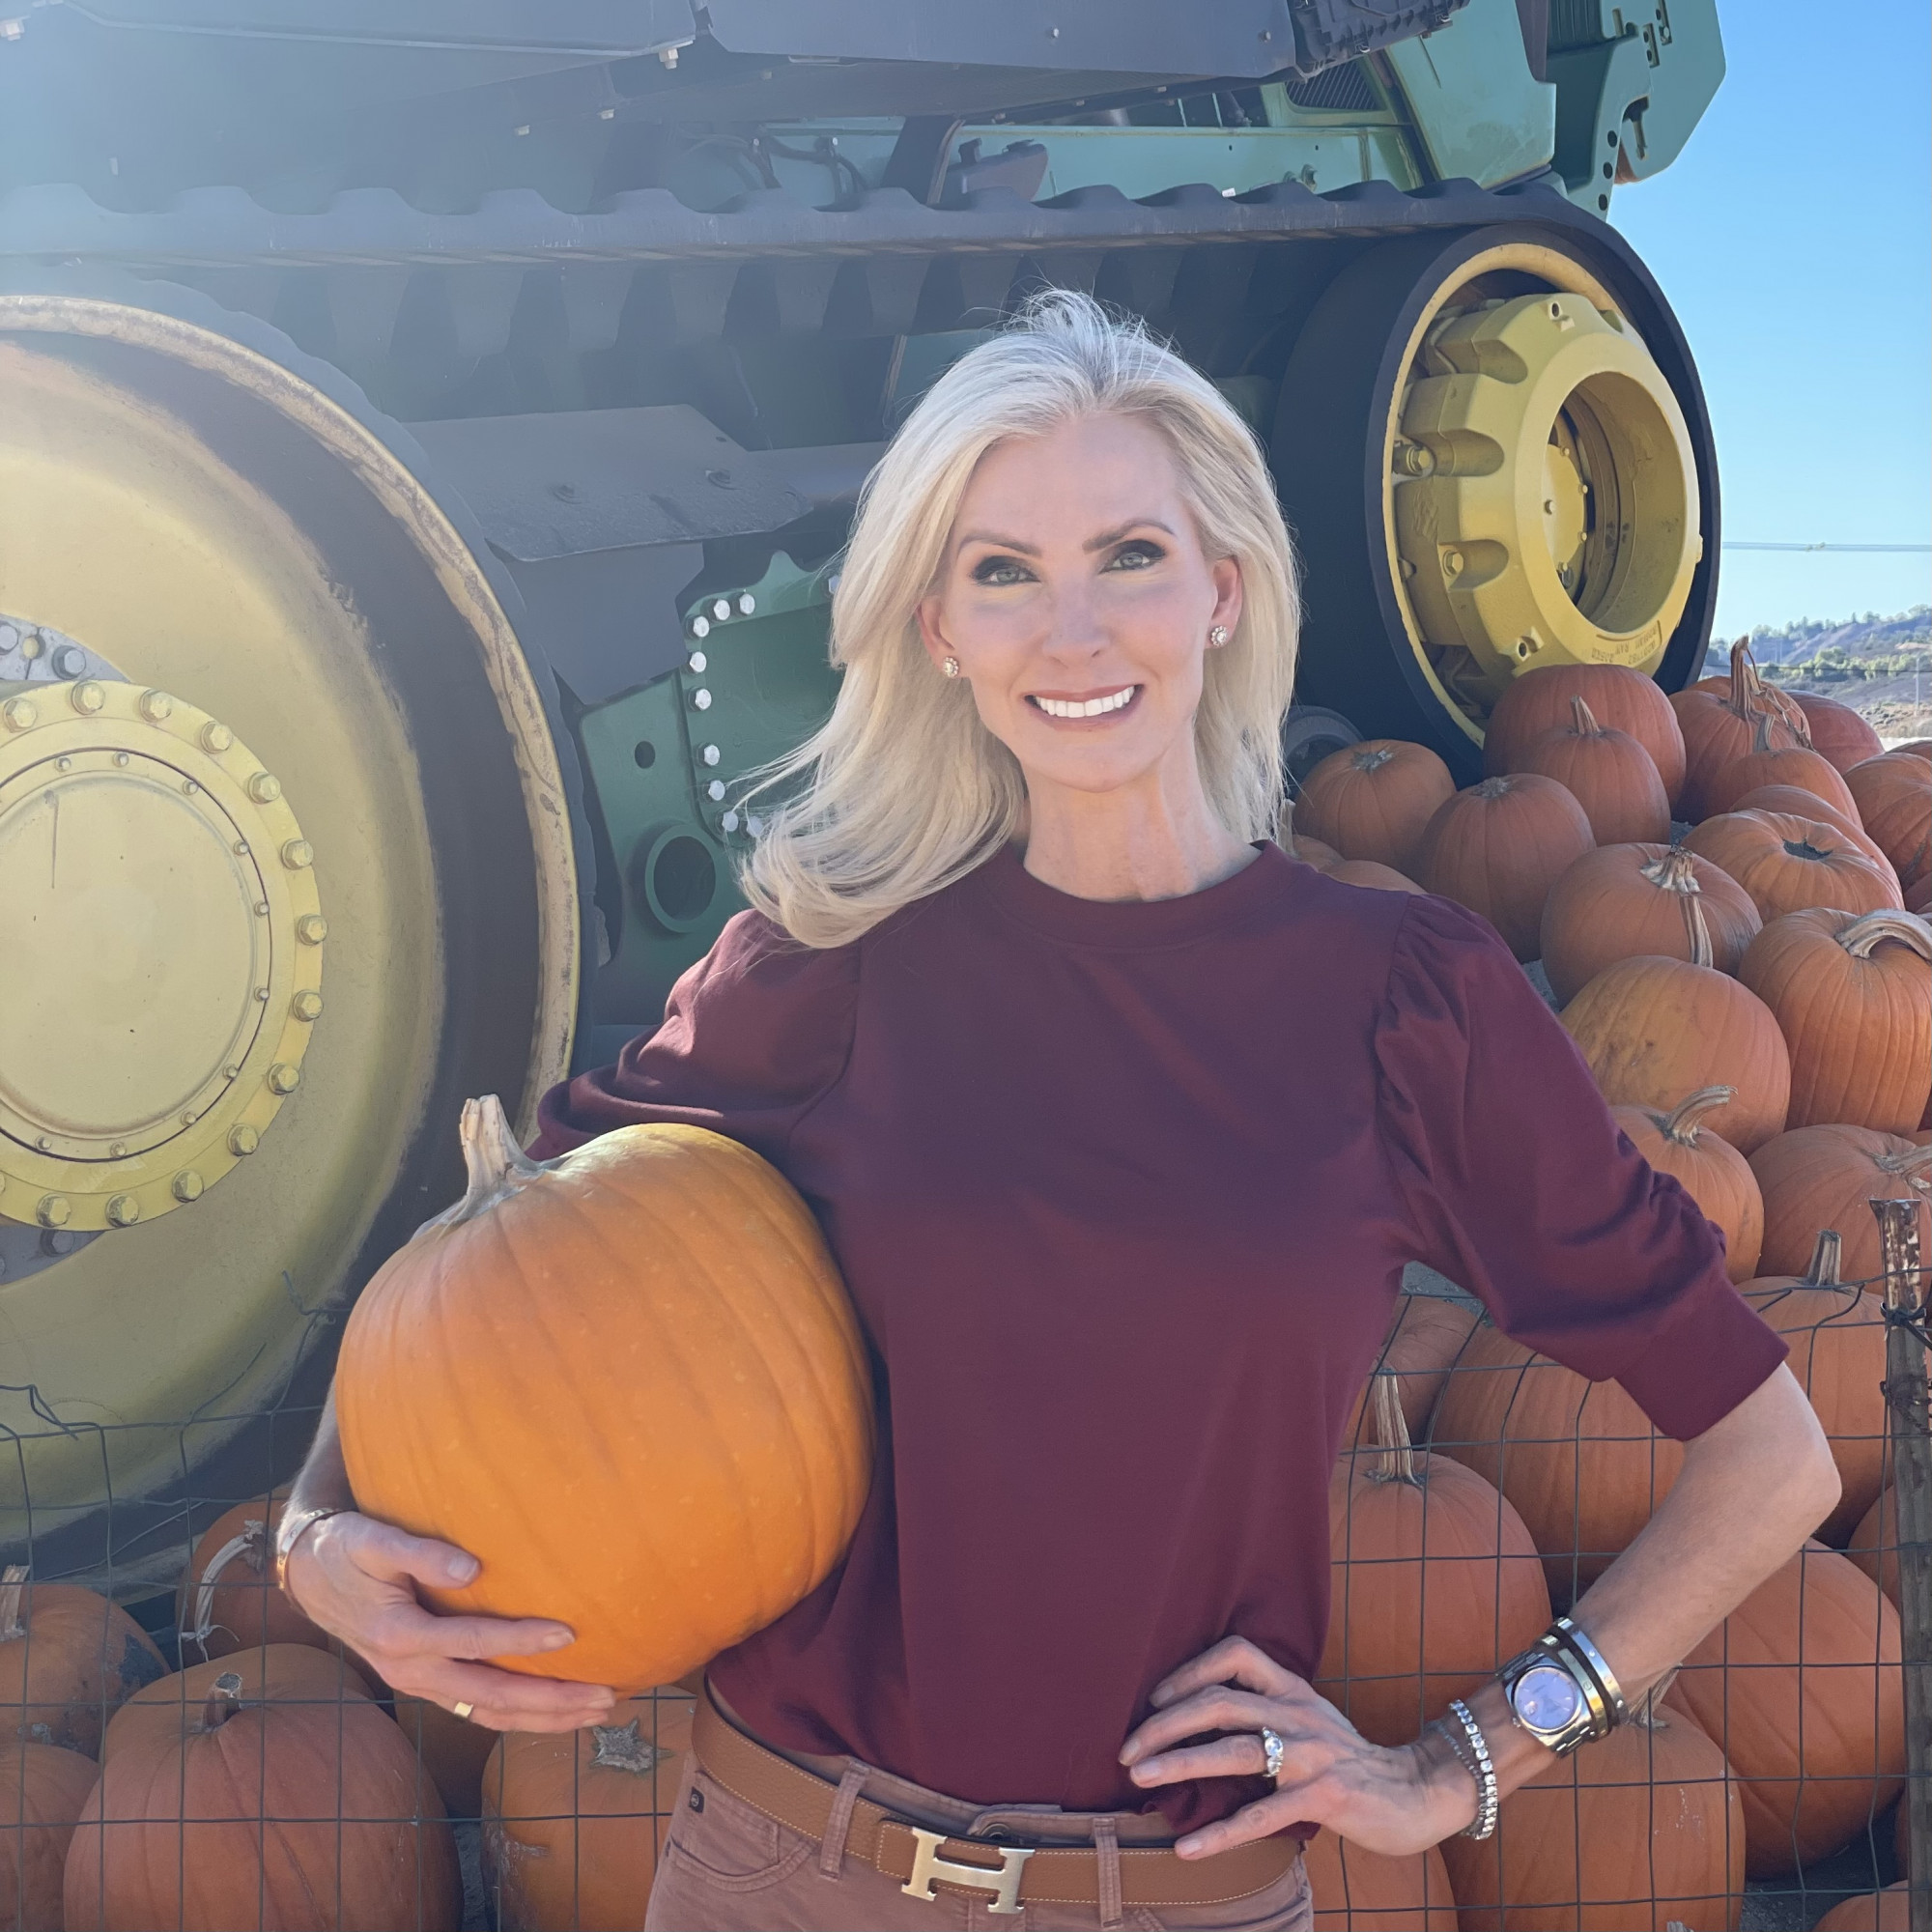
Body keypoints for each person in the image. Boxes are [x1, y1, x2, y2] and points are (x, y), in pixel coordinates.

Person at [279, 292, 1838, 1932]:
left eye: (1131, 556)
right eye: (1003, 571)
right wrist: (322, 1536)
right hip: (790, 1872)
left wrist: (1468, 1758)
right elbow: (486, 1272)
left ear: (1227, 589)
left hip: (1185, 1897)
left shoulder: (1401, 999)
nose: (1072, 631)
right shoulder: (828, 971)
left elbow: (1774, 1453)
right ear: (940, 628)